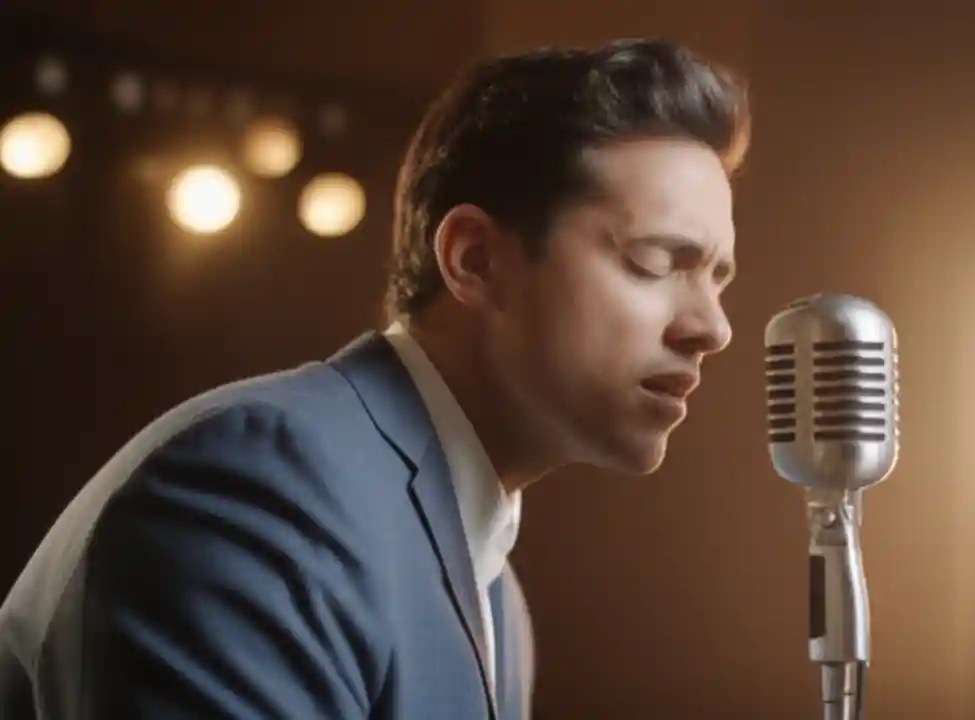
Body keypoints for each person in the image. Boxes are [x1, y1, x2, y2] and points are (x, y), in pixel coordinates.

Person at [0, 37, 749, 719]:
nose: (711, 328)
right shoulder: (261, 494)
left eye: (718, 280)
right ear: (474, 259)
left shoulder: (494, 593)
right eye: (656, 263)